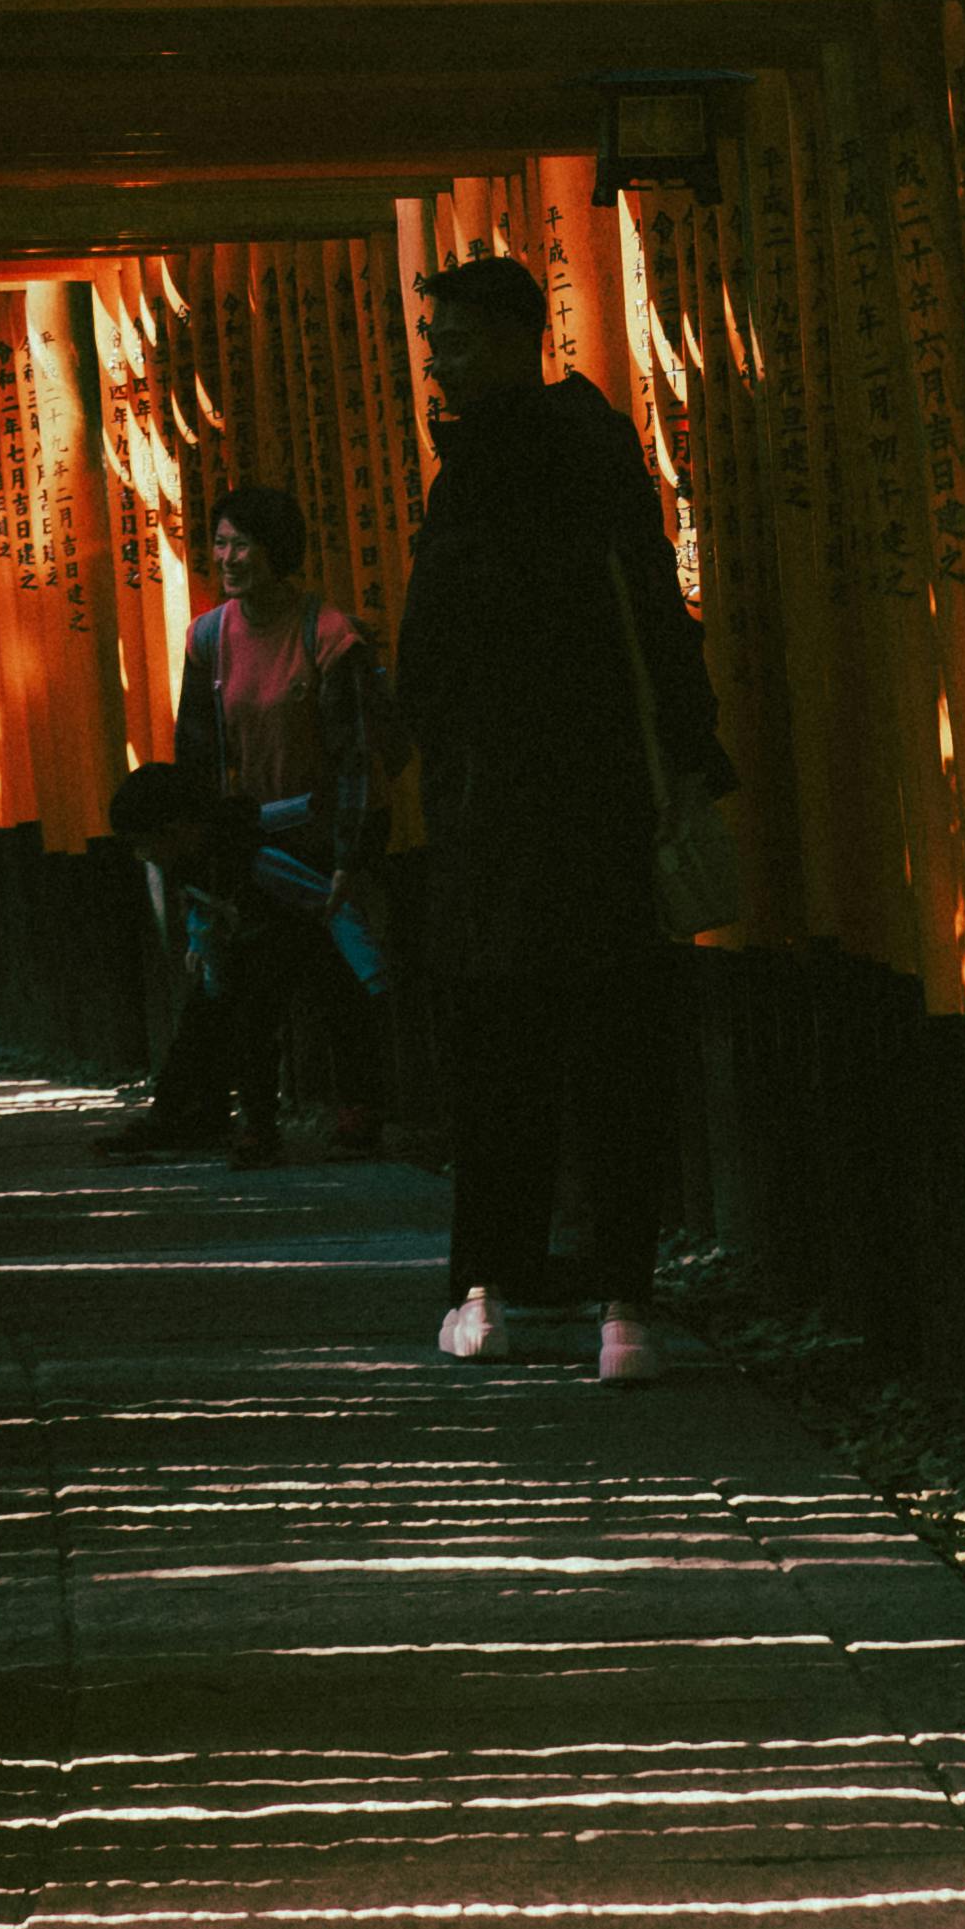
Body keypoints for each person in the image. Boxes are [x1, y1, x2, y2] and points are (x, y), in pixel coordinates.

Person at [395, 247, 730, 1384]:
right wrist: (687, 763)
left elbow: (430, 662)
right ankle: (625, 1308)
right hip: (606, 815)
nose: (433, 360)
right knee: (616, 1057)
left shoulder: (478, 472)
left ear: (500, 338)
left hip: (502, 823)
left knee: (499, 1061)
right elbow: (658, 613)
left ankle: (491, 1291)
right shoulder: (601, 455)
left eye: (445, 338)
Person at [99, 478, 398, 1163]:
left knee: (339, 978)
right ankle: (250, 1119)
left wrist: (350, 856)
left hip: (322, 834)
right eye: (221, 543)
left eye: (244, 544)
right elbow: (197, 753)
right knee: (248, 983)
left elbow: (354, 759)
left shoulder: (328, 635)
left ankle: (358, 1107)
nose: (228, 557)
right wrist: (202, 851)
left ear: (278, 551)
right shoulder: (209, 636)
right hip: (247, 836)